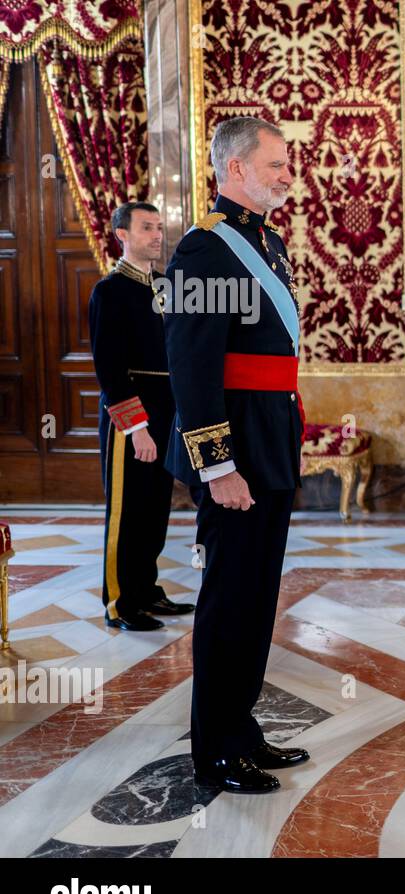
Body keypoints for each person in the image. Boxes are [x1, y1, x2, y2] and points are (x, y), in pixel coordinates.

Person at [163, 116, 310, 794]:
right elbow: (192, 367)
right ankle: (215, 749)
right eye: (277, 163)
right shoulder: (201, 249)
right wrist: (216, 464)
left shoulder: (268, 242)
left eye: (286, 164)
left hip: (270, 437)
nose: (287, 174)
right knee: (228, 598)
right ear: (235, 169)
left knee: (258, 596)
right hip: (236, 449)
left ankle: (242, 730)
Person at [88, 202, 194, 632]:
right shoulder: (109, 291)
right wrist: (137, 427)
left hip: (166, 413)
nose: (157, 235)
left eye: (159, 227)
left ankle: (147, 590)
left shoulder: (168, 285)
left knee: (154, 509)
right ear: (122, 235)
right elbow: (109, 367)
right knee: (127, 511)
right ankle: (120, 603)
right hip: (131, 418)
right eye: (147, 228)